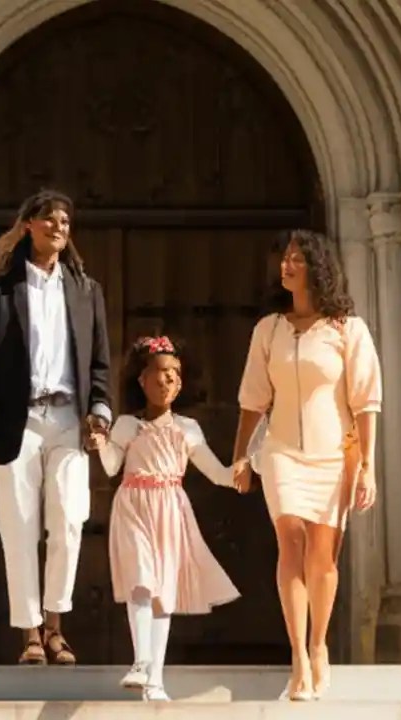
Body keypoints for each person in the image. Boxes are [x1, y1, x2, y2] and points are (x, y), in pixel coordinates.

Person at [0, 189, 113, 665]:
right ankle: (30, 634)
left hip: (68, 418)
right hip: (17, 422)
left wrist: (102, 413)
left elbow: (101, 363)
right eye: (49, 220)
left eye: (65, 222)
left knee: (68, 520)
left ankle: (55, 625)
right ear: (27, 225)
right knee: (19, 526)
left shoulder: (87, 290)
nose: (59, 228)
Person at [231, 229, 381, 701]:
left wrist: (368, 466)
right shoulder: (268, 330)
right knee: (290, 538)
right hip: (280, 453)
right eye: (285, 257)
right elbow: (253, 400)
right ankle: (297, 655)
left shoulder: (347, 329)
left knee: (324, 556)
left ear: (318, 266)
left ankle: (320, 645)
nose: (287, 264)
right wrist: (240, 456)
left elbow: (366, 401)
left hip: (334, 453)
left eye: (297, 257)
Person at [93, 335, 242, 701]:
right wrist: (100, 444)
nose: (167, 381)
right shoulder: (128, 425)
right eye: (159, 373)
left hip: (170, 510)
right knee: (140, 582)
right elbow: (112, 466)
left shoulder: (187, 429)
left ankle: (155, 680)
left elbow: (218, 473)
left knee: (163, 594)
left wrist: (247, 467)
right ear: (141, 380)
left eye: (174, 374)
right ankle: (141, 661)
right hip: (133, 506)